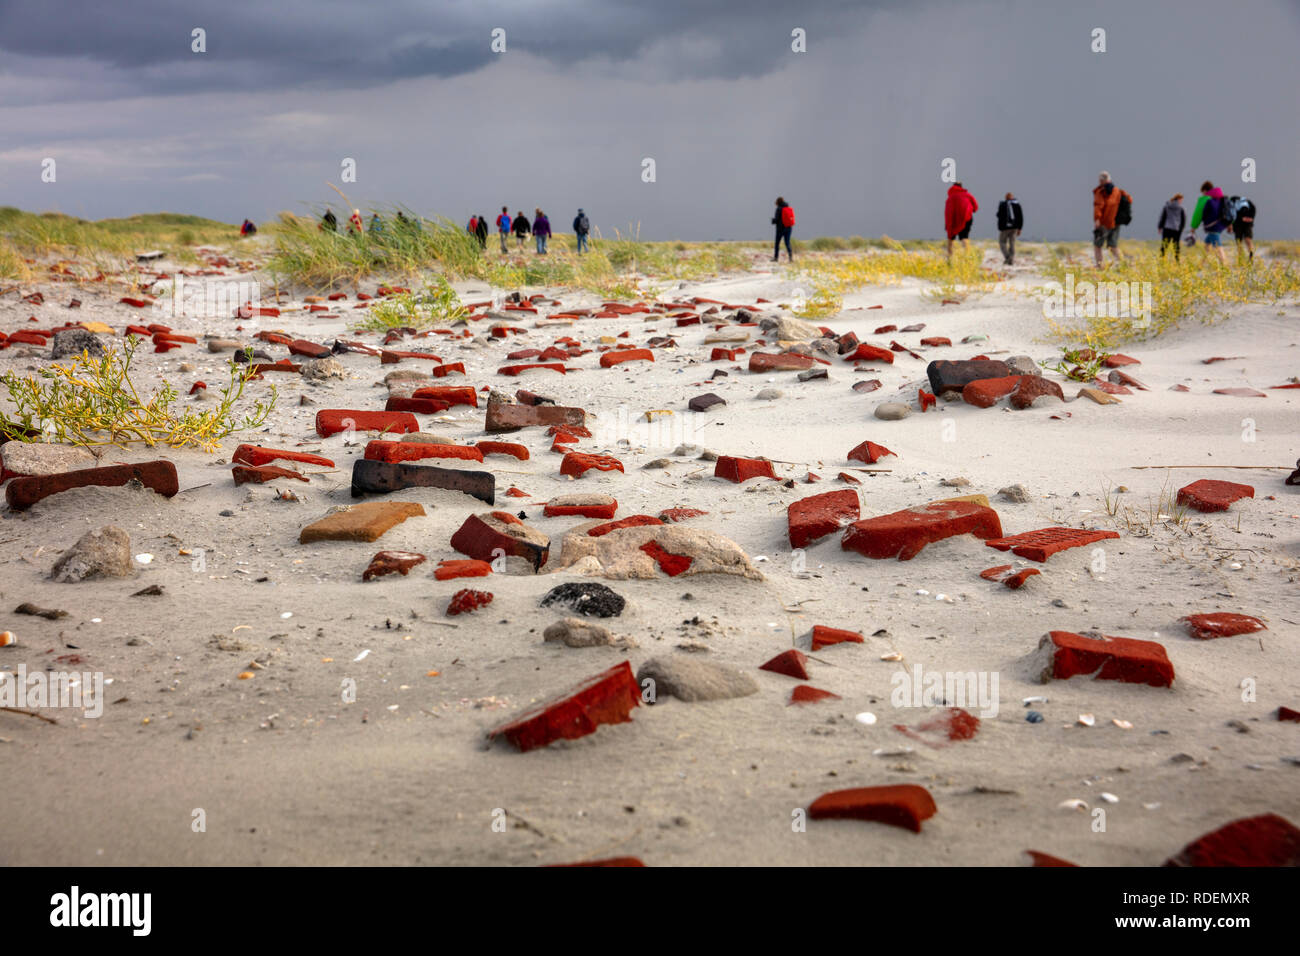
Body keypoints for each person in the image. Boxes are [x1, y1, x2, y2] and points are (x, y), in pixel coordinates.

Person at [1091, 171, 1130, 266]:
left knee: (1097, 245)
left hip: (1104, 223)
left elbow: (1098, 206)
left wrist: (1097, 219)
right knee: (1113, 246)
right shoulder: (1118, 191)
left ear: (1101, 180)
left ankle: (1100, 266)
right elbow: (1129, 199)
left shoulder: (1100, 191)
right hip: (1115, 222)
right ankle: (1124, 264)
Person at [1190, 181, 1228, 264]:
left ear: (1204, 190)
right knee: (1207, 244)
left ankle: (1224, 265)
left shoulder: (1205, 199)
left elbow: (1198, 214)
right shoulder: (1220, 198)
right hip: (1220, 225)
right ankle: (1202, 263)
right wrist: (1229, 225)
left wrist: (1193, 227)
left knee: (1218, 247)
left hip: (1212, 227)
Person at [944, 182, 977, 260]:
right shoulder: (968, 195)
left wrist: (948, 224)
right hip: (966, 218)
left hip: (953, 221)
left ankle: (949, 257)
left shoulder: (950, 197)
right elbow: (975, 207)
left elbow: (948, 212)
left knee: (951, 239)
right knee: (964, 237)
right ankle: (968, 256)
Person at [995, 192, 1023, 265]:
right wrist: (1020, 228)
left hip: (1005, 228)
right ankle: (1011, 258)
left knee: (1002, 242)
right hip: (1015, 227)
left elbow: (998, 215)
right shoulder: (1017, 204)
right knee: (1012, 243)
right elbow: (1020, 217)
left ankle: (1008, 257)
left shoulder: (1003, 204)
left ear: (1006, 197)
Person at [1157, 194, 1185, 259]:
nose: (1181, 201)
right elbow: (1183, 220)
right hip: (1176, 229)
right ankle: (1177, 260)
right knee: (1176, 245)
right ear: (1178, 199)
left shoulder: (1166, 206)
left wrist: (1160, 227)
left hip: (1167, 228)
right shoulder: (1181, 208)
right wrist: (1181, 229)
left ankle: (1161, 259)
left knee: (1164, 245)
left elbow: (1163, 217)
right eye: (1181, 200)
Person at [1229, 195, 1256, 261]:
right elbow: (1253, 209)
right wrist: (1251, 218)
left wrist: (1230, 225)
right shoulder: (1247, 201)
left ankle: (1240, 258)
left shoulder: (1232, 203)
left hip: (1237, 224)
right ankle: (1251, 256)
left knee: (1239, 242)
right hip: (1247, 223)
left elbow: (1232, 215)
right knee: (1248, 240)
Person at [771, 197, 794, 262]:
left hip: (780, 229)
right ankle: (790, 258)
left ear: (778, 202)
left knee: (777, 243)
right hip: (789, 227)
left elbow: (776, 219)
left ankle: (776, 258)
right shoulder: (788, 208)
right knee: (787, 243)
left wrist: (773, 221)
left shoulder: (778, 209)